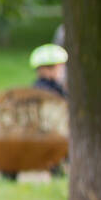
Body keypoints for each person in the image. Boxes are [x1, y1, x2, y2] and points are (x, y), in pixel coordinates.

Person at [29, 43, 68, 179]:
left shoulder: (34, 88)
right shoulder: (53, 91)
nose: (62, 70)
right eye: (60, 66)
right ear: (47, 69)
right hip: (52, 135)